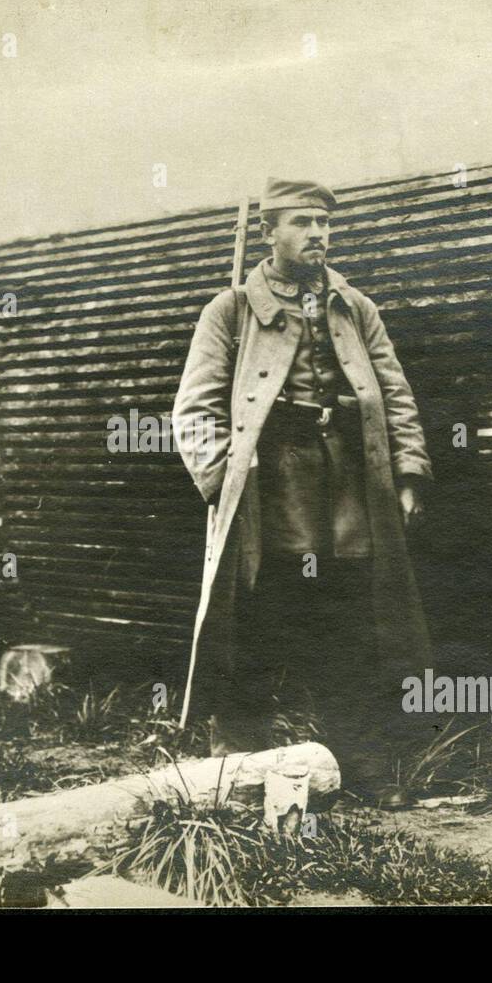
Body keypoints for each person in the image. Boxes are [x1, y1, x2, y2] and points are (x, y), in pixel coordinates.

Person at [172, 176, 434, 800]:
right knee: (257, 621)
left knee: (348, 621)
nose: (317, 234)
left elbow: (395, 395)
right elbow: (194, 410)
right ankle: (235, 774)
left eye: (323, 223)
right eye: (301, 223)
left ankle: (361, 766)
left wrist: (408, 471)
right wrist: (225, 481)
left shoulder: (355, 307)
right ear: (269, 232)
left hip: (346, 482)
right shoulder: (230, 310)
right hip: (270, 485)